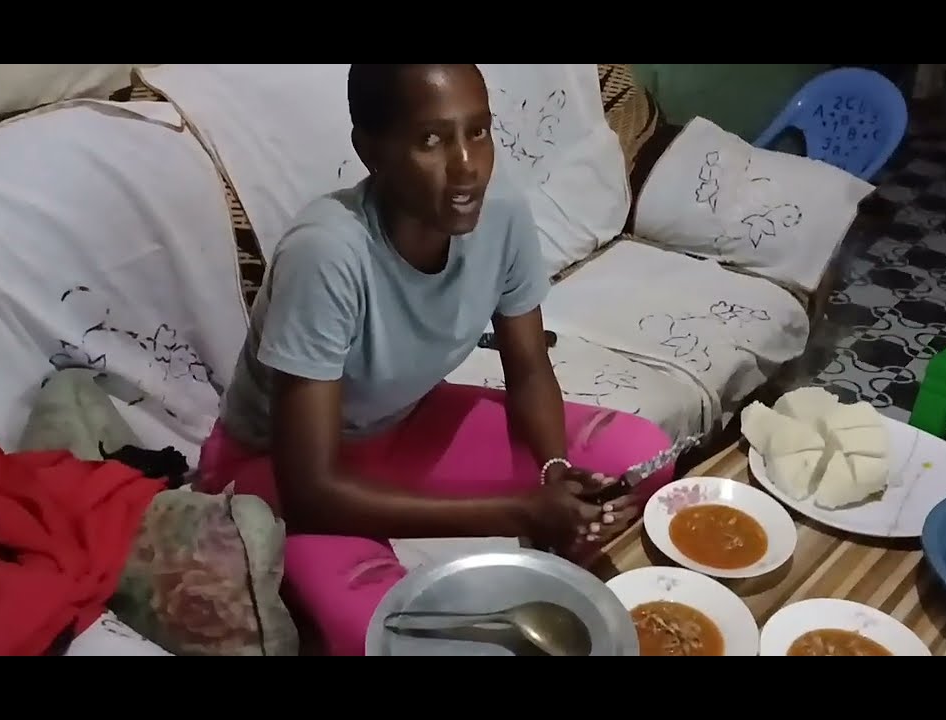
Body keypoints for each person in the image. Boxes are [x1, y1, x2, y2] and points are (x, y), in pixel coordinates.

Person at [195, 64, 676, 656]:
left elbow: (528, 366)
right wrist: (518, 512)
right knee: (388, 633)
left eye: (479, 132)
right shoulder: (327, 253)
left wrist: (553, 470)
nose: (467, 165)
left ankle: (561, 584)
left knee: (640, 456)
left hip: (403, 426)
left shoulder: (500, 210)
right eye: (431, 139)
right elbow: (310, 491)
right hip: (279, 470)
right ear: (370, 149)